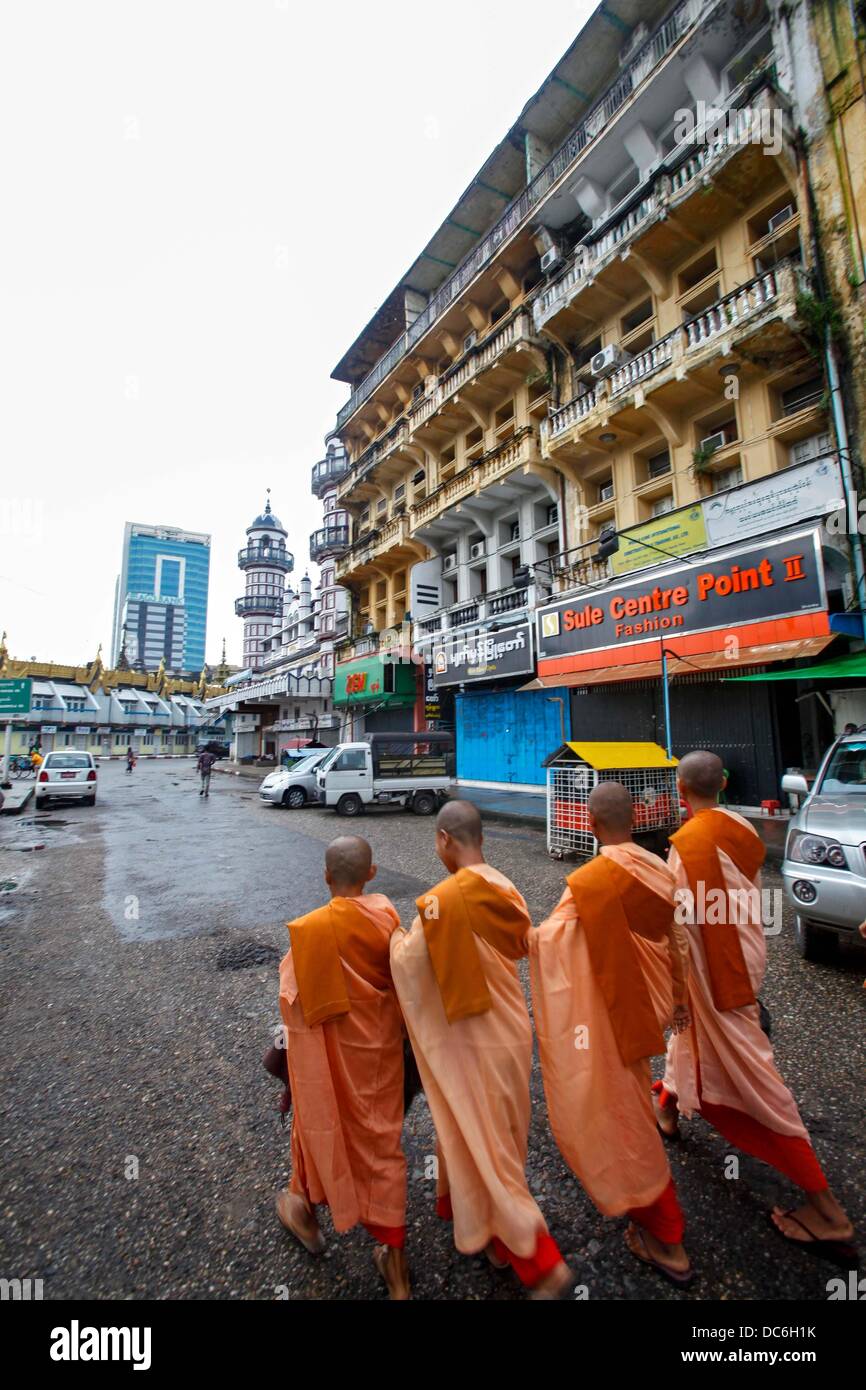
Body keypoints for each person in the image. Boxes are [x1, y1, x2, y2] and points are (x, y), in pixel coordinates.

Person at [655, 750, 857, 1268]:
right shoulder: (740, 827)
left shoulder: (688, 846)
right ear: (722, 784)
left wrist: (670, 986)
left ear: (680, 792)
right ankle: (669, 1109)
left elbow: (680, 929)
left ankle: (827, 1209)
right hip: (744, 957)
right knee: (688, 1036)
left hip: (717, 976)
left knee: (758, 1085)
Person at [390, 800, 573, 1299]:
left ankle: (539, 1257)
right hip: (512, 1030)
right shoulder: (505, 887)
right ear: (482, 840)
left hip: (472, 1038)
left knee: (483, 1142)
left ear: (445, 839)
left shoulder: (437, 901)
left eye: (436, 840)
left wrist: (394, 940)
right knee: (496, 1135)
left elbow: (409, 967)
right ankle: (483, 1228)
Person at [529, 782, 693, 1287]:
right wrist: (682, 997)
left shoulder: (589, 880)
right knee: (633, 1102)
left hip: (612, 1014)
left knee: (626, 1118)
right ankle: (655, 1222)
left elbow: (547, 944)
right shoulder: (658, 867)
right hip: (653, 1002)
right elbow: (676, 937)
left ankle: (668, 1240)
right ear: (636, 818)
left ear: (591, 823)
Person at [276, 835, 410, 1300]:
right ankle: (396, 1267)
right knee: (381, 1145)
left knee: (317, 1125)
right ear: (372, 874)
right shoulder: (389, 917)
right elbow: (406, 981)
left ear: (326, 876)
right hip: (379, 1057)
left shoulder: (312, 930)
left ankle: (305, 1210)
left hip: (330, 1062)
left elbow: (293, 1007)